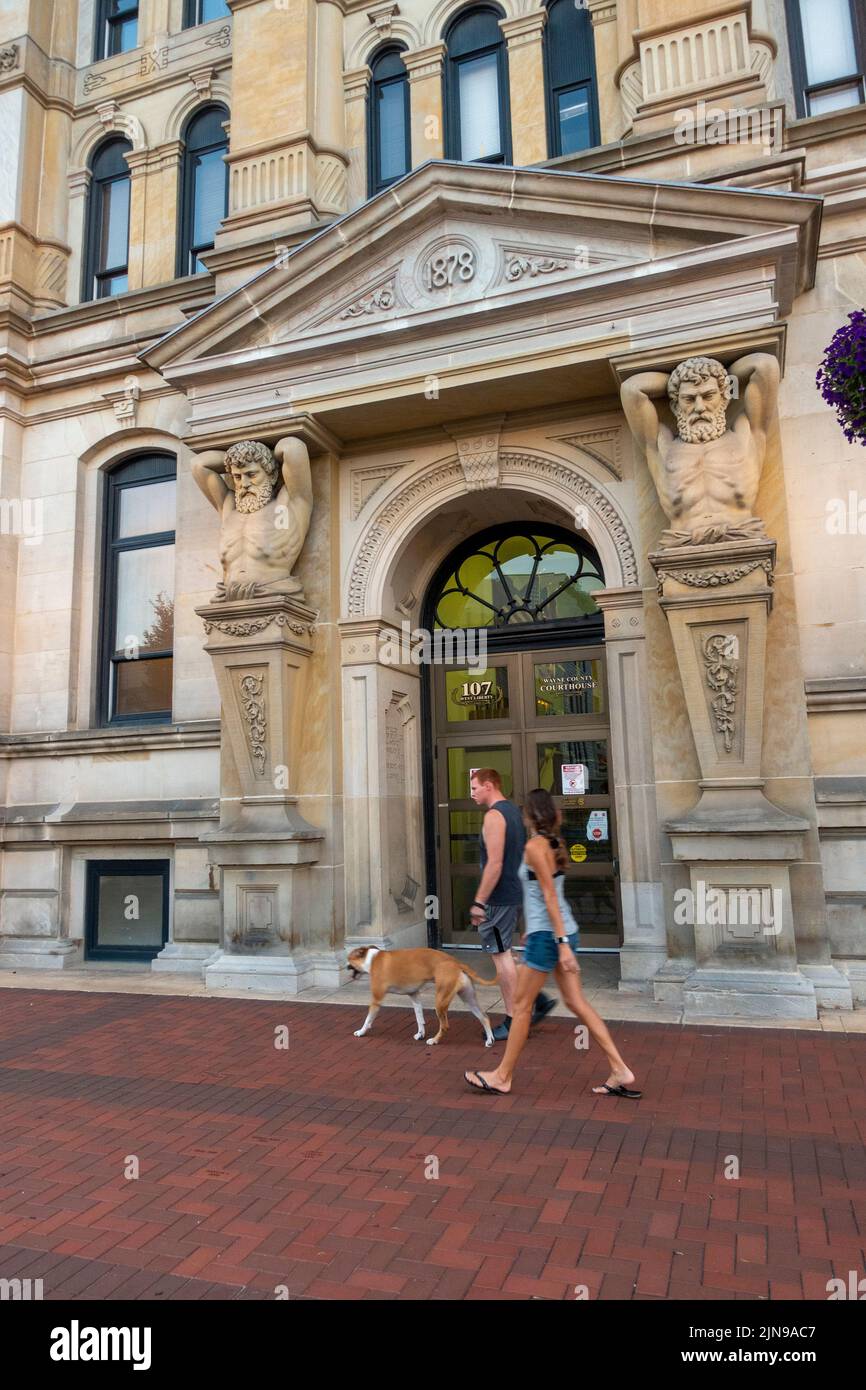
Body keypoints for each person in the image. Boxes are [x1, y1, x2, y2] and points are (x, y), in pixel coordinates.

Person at [464, 787, 641, 1098]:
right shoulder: (555, 843)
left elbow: (547, 895)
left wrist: (557, 942)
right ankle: (619, 1069)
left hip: (550, 937)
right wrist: (538, 932)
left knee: (521, 1007)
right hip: (556, 932)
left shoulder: (535, 846)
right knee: (576, 1003)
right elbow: (545, 894)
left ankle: (502, 1076)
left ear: (530, 816)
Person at [469, 769, 555, 1041]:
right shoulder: (514, 814)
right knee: (507, 952)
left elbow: (494, 864)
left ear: (490, 786)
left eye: (475, 787)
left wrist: (479, 902)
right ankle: (537, 1000)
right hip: (514, 894)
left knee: (501, 957)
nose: (471, 793)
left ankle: (513, 1018)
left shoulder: (494, 816)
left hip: (499, 897)